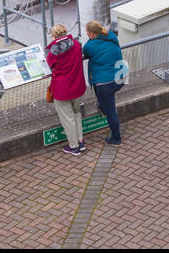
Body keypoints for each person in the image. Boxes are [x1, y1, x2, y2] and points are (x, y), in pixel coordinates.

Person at [45, 23, 87, 155]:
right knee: (76, 114)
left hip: (62, 88)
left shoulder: (53, 51)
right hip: (77, 85)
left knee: (67, 118)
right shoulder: (76, 44)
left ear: (54, 36)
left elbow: (48, 66)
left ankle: (74, 146)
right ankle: (81, 142)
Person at [83, 20, 125, 145]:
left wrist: (91, 40)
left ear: (91, 33)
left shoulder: (89, 46)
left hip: (104, 82)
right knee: (106, 100)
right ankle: (102, 106)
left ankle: (116, 138)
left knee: (111, 110)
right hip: (120, 77)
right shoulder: (111, 35)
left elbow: (86, 51)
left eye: (87, 32)